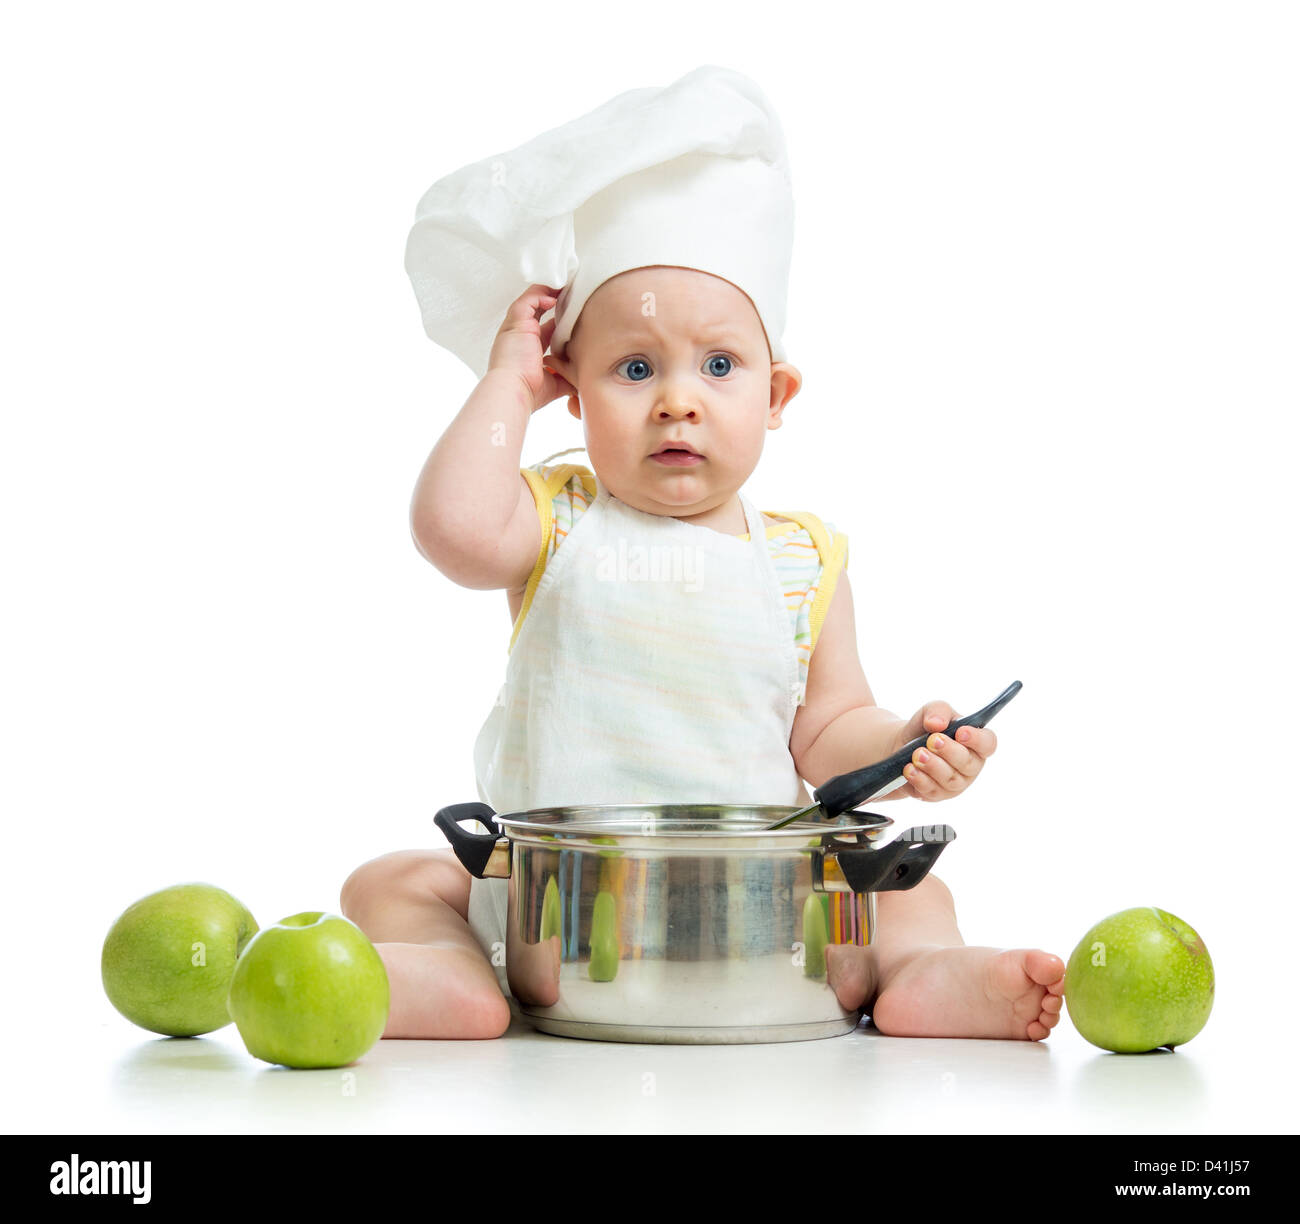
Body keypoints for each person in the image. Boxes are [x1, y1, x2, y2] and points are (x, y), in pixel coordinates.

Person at [340, 66, 1065, 1041]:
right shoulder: (554, 520)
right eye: (634, 369)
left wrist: (905, 743)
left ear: (775, 397)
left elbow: (827, 733)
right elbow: (453, 534)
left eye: (718, 365)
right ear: (573, 392)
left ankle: (927, 976)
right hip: (555, 913)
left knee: (910, 893)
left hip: (763, 910)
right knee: (399, 878)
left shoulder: (802, 559)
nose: (678, 399)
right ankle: (447, 978)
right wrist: (505, 386)